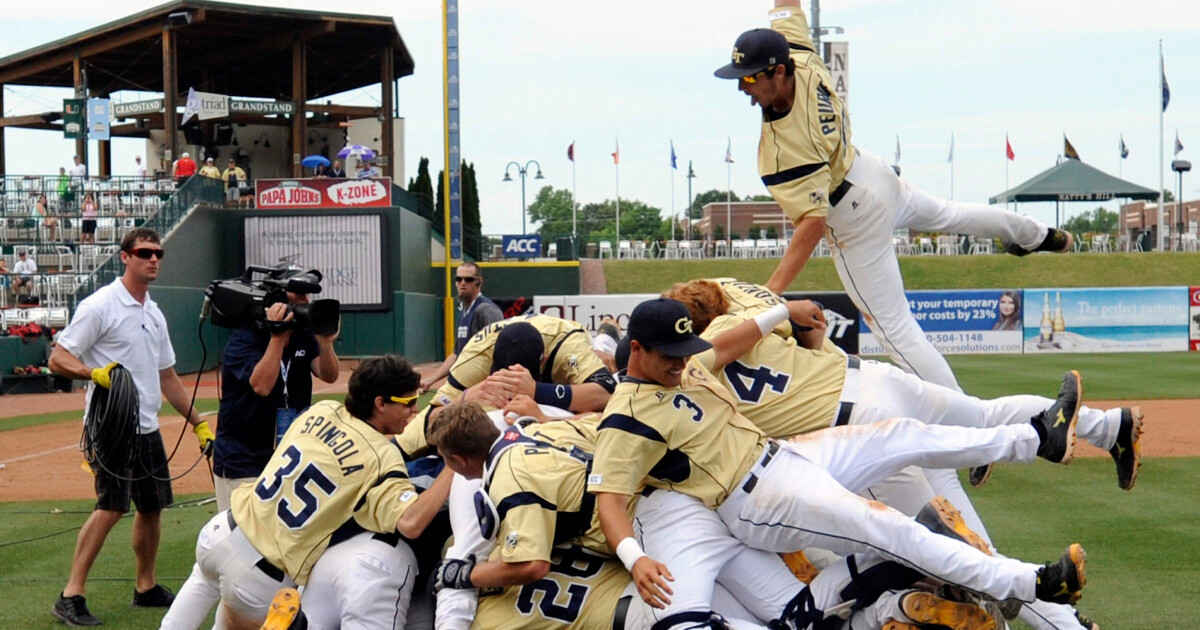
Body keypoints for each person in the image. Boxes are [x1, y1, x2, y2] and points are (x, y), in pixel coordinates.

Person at [588, 298, 1088, 629]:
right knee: (887, 526)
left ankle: (1036, 437)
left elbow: (725, 345)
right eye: (670, 354)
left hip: (784, 455)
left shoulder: (687, 365)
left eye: (684, 350)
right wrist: (635, 558)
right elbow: (609, 501)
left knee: (902, 434)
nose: (682, 361)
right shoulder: (625, 418)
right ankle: (1030, 582)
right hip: (757, 500)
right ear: (638, 350)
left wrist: (781, 311)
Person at [714, 3, 1073, 393]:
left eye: (750, 78)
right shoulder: (799, 51)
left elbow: (812, 225)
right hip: (872, 172)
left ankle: (969, 419)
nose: (743, 89)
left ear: (779, 72)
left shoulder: (787, 147)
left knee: (895, 330)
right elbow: (788, 6)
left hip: (852, 216)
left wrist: (769, 295)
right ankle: (1038, 234)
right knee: (951, 214)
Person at [160, 355, 453, 630]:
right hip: (260, 574)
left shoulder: (321, 409)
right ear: (380, 403)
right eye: (408, 401)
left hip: (219, 535)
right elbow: (411, 523)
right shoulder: (381, 457)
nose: (414, 409)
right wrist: (454, 464)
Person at [48, 228, 214, 627]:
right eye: (144, 252)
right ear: (125, 257)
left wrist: (198, 423)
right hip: (112, 427)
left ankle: (145, 585)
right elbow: (58, 358)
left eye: (158, 253)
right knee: (111, 506)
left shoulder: (153, 312)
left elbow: (167, 376)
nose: (153, 259)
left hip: (147, 426)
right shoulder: (100, 305)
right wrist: (92, 373)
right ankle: (70, 594)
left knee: (152, 506)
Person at [211, 266, 341, 512]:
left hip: (288, 455)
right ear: (277, 298)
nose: (306, 301)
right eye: (299, 294)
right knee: (242, 531)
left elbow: (329, 374)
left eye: (307, 295)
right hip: (243, 457)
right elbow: (261, 386)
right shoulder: (244, 338)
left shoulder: (303, 334)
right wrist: (277, 336)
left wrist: (325, 344)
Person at [420, 262, 505, 392]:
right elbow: (457, 354)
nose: (462, 283)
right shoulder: (464, 312)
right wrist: (430, 380)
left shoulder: (486, 310)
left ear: (479, 282)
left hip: (481, 387)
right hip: (465, 384)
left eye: (468, 279)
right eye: (458, 279)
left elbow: (501, 349)